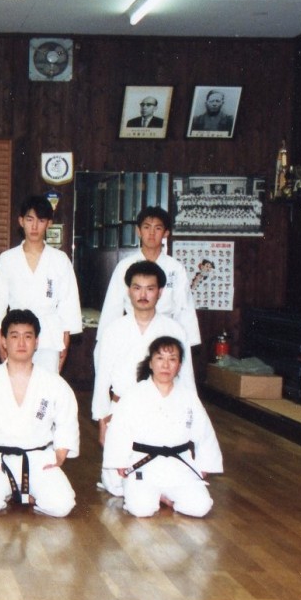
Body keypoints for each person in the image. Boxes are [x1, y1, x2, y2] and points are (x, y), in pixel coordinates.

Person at [0, 309, 79, 518]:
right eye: (14, 336)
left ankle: (19, 493)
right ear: (4, 341)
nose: (21, 343)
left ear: (37, 341)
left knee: (62, 506)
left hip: (38, 457)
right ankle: (18, 493)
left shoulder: (54, 384)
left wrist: (58, 456)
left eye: (28, 336)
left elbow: (67, 423)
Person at [93, 260, 195, 496]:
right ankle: (148, 489)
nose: (143, 294)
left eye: (150, 288)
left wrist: (188, 420)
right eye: (137, 287)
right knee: (115, 484)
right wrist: (101, 419)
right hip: (120, 407)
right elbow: (102, 379)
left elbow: (187, 379)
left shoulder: (174, 330)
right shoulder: (114, 330)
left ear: (160, 292)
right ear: (128, 290)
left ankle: (153, 490)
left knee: (163, 470)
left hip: (162, 408)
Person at [104, 336, 222, 518]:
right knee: (141, 509)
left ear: (179, 365)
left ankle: (166, 496)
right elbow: (118, 431)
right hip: (143, 463)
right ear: (150, 363)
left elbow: (205, 433)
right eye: (160, 358)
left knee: (200, 507)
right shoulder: (134, 395)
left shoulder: (188, 397)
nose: (166, 365)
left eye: (172, 359)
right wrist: (119, 460)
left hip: (179, 463)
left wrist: (205, 463)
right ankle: (157, 495)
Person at [0, 195, 82, 372]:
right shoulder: (7, 259)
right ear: (21, 221)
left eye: (40, 220)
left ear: (48, 224)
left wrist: (65, 342)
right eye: (29, 219)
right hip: (17, 333)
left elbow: (68, 304)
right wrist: (0, 337)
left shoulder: (60, 260)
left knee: (47, 389)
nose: (34, 226)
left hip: (49, 336)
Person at [98, 206, 200, 347]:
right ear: (138, 231)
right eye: (146, 227)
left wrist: (189, 342)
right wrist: (105, 339)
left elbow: (184, 307)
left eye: (158, 228)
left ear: (166, 233)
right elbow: (112, 306)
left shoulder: (175, 268)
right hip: (132, 332)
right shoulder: (125, 266)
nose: (152, 233)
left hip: (166, 333)